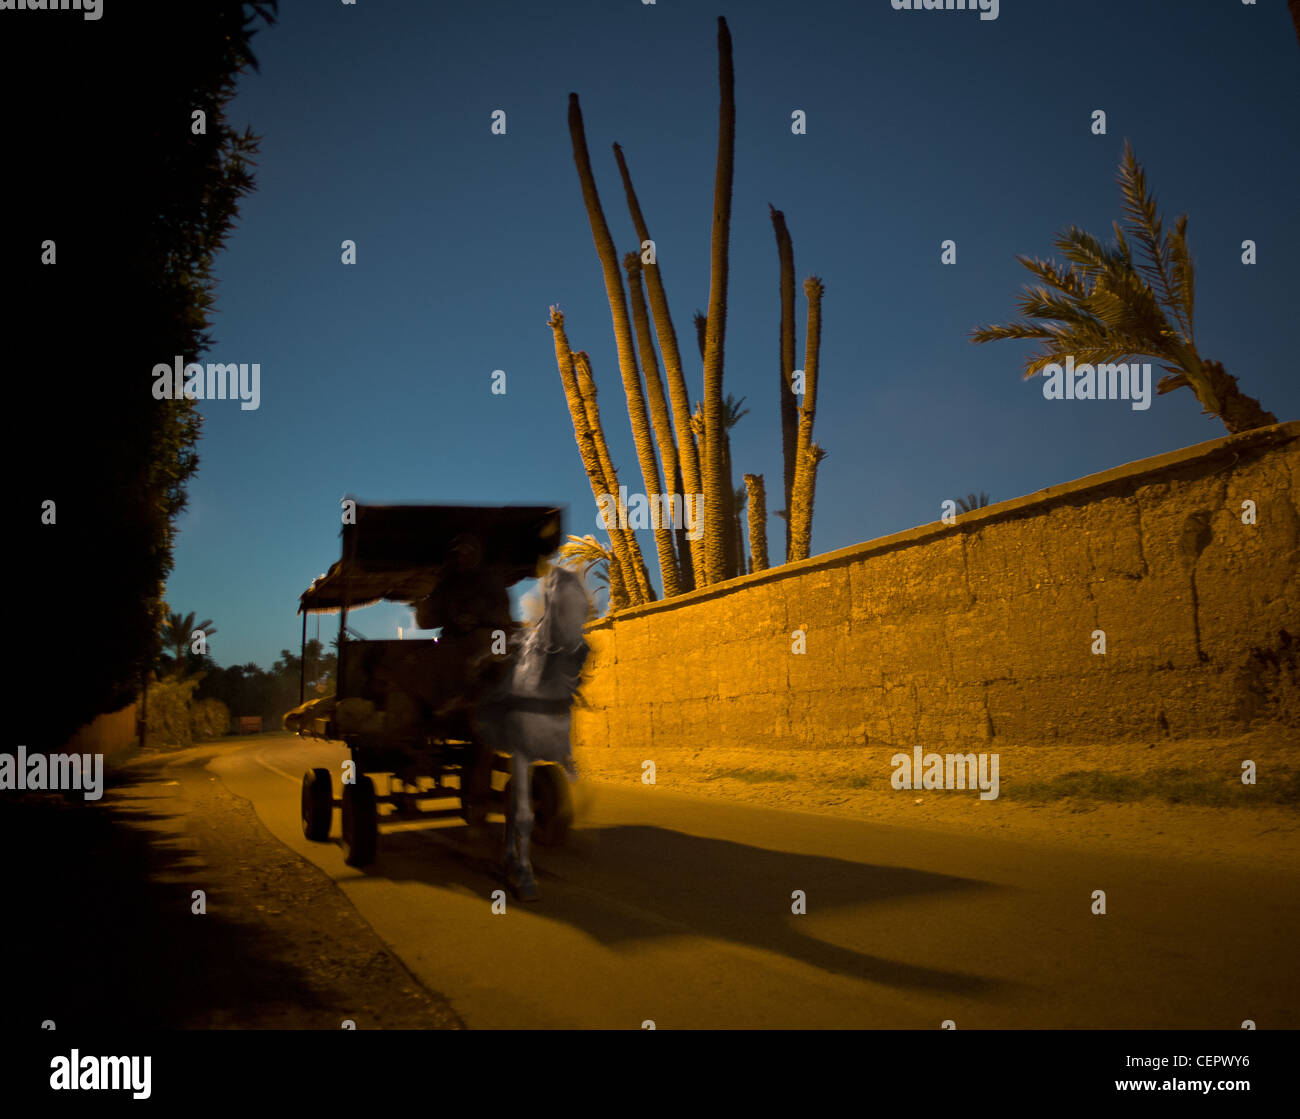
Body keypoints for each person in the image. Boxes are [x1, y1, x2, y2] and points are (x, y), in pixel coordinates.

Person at [414, 532, 513, 823]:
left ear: (477, 554)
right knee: (433, 662)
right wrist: (448, 615)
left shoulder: (492, 583)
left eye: (468, 552)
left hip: (490, 638)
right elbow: (426, 619)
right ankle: (448, 701)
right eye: (459, 553)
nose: (463, 558)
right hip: (456, 646)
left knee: (501, 650)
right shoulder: (446, 585)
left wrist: (479, 618)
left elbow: (502, 615)